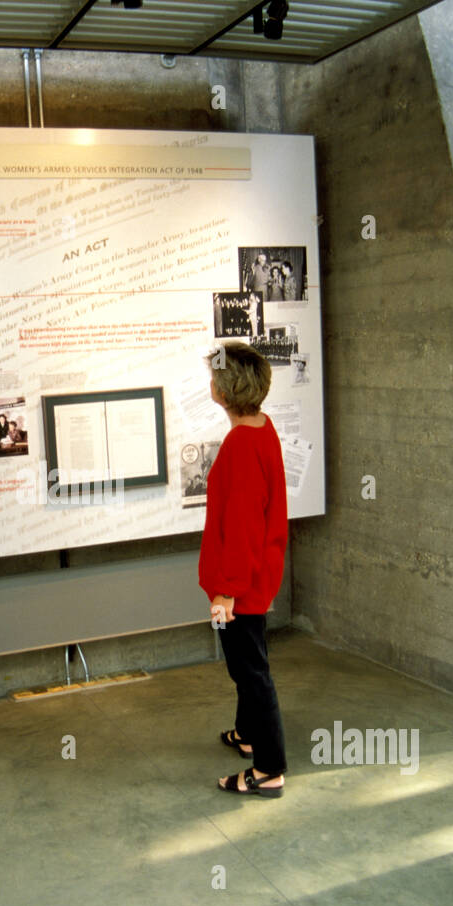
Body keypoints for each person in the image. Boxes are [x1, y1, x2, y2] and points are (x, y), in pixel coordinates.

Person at [199, 341, 289, 798]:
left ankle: (269, 770)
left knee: (251, 672)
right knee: (245, 666)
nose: (209, 383)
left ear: (225, 389)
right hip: (254, 577)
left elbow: (242, 526)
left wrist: (226, 593)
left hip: (240, 587)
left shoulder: (240, 445)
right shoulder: (261, 428)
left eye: (214, 376)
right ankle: (247, 733)